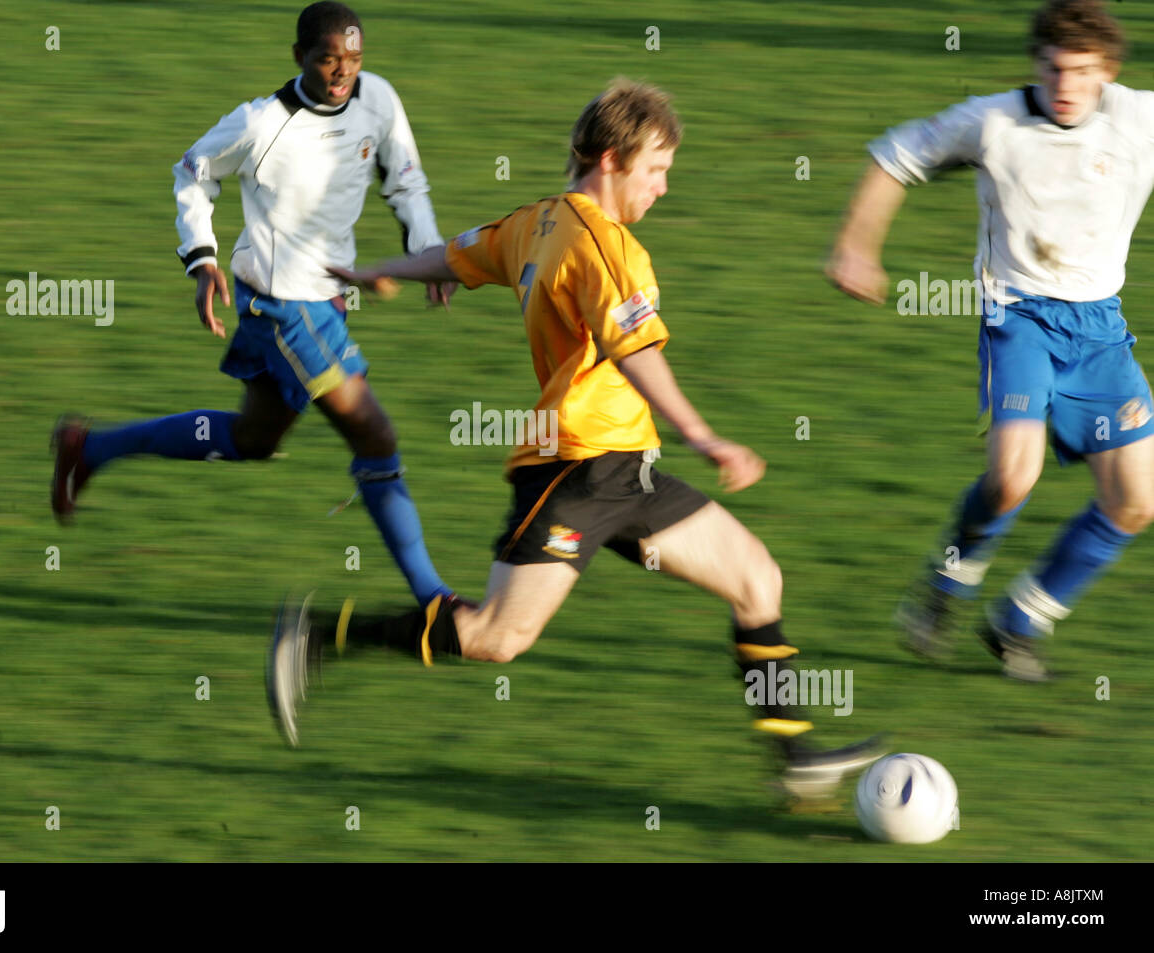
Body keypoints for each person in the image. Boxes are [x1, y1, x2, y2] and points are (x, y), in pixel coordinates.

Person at [272, 79, 886, 800]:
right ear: (610, 160)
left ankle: (798, 759)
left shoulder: (538, 221)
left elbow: (460, 254)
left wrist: (384, 268)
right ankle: (318, 637)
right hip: (575, 471)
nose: (663, 187)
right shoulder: (603, 245)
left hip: (627, 471)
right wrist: (705, 436)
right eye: (655, 169)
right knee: (498, 638)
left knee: (757, 578)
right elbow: (635, 351)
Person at [49, 2, 457, 608]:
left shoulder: (379, 100)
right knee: (375, 436)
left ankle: (90, 448)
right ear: (298, 58)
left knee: (254, 439)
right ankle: (436, 602)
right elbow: (192, 170)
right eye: (327, 59)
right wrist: (202, 257)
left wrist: (425, 251)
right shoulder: (261, 124)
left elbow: (407, 181)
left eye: (353, 58)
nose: (342, 72)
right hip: (284, 310)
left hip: (324, 305)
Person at [827, 0, 1154, 680]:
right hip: (1021, 319)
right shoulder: (993, 121)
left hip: (1099, 331)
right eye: (1053, 68)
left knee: (1135, 502)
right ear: (1036, 63)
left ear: (1109, 73)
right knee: (1011, 478)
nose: (1065, 85)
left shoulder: (1139, 121)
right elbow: (894, 157)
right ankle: (944, 585)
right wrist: (856, 246)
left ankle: (1020, 622)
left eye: (1082, 72)